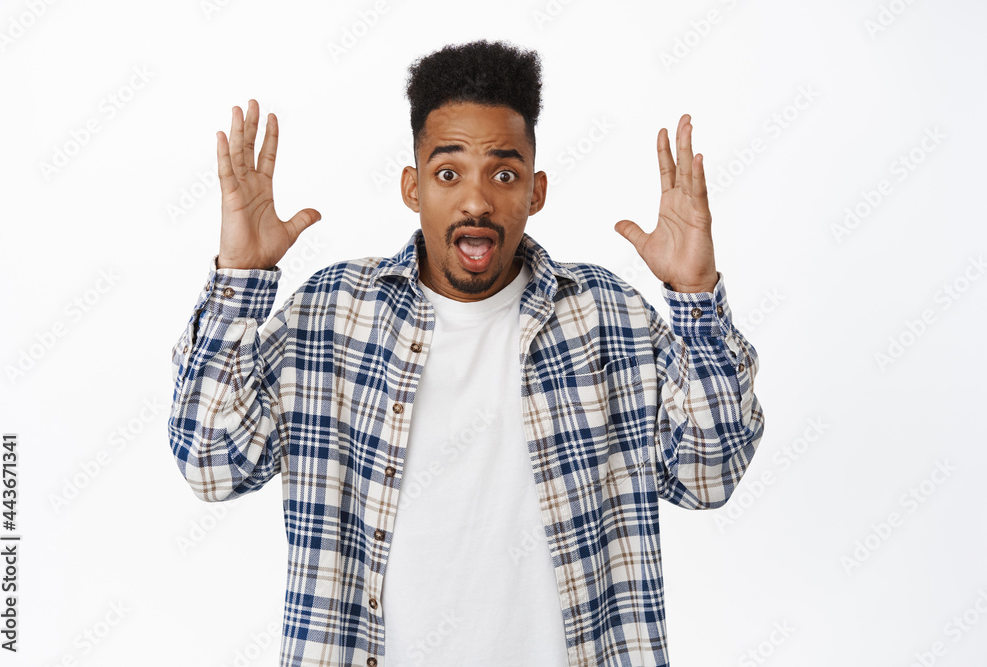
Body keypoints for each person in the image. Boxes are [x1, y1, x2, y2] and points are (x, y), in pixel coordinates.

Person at [168, 39, 764, 667]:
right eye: (448, 173)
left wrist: (696, 296)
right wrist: (238, 279)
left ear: (535, 190)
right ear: (412, 186)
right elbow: (213, 466)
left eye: (503, 175)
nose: (476, 201)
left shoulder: (607, 318)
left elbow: (708, 476)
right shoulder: (332, 315)